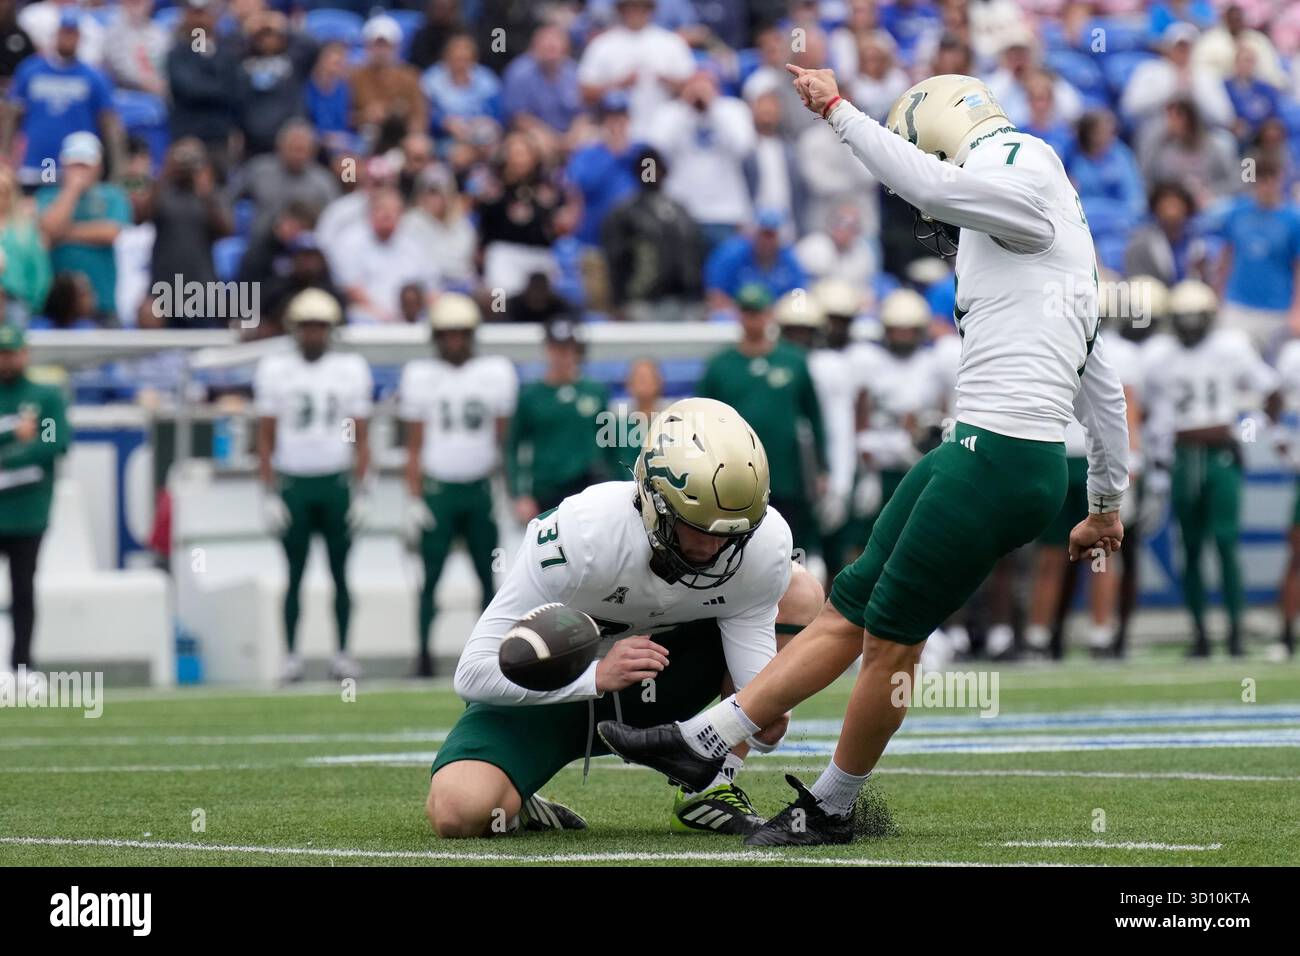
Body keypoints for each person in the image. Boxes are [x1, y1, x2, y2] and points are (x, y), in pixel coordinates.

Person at [599, 68, 1130, 846]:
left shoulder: (1017, 163)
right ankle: (701, 743)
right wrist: (1105, 503)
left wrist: (840, 113)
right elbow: (1103, 386)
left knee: (893, 642)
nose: (928, 211)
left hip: (998, 455)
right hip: (988, 454)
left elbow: (947, 193)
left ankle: (832, 807)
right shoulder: (1064, 245)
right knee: (851, 606)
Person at [427, 397, 818, 838]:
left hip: (669, 681)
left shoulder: (762, 547)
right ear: (653, 498)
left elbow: (759, 708)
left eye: (730, 534)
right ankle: (519, 792)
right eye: (695, 527)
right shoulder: (582, 537)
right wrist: (595, 675)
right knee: (458, 814)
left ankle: (709, 786)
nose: (712, 550)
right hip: (558, 691)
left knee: (800, 589)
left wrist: (766, 720)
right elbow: (474, 673)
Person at [1143, 280, 1280, 657]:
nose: (1189, 326)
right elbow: (1153, 416)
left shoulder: (1231, 347)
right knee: (1189, 547)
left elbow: (1273, 394)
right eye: (1182, 318)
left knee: (1224, 542)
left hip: (1221, 455)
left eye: (1195, 318)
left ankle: (1235, 632)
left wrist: (1245, 432)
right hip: (1183, 456)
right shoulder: (1160, 354)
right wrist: (1157, 472)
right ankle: (1200, 633)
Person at [254, 289, 374, 684]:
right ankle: (290, 654)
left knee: (342, 573)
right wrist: (268, 492)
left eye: (319, 327)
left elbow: (361, 434)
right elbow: (266, 437)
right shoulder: (275, 369)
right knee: (294, 573)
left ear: (331, 330)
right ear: (294, 329)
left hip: (335, 482)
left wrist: (362, 488)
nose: (313, 334)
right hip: (294, 484)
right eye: (307, 326)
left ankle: (342, 652)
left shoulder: (350, 369)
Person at [400, 293, 518, 678]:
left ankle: (489, 658)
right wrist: (412, 498)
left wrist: (505, 490)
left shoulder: (495, 372)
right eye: (446, 334)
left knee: (488, 579)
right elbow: (414, 445)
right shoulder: (420, 375)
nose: (454, 341)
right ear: (436, 336)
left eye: (460, 334)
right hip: (438, 492)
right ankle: (422, 655)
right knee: (429, 578)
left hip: (479, 489)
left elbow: (504, 442)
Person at [698, 283, 827, 562]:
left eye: (757, 313)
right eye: (746, 312)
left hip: (785, 472)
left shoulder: (793, 360)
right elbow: (701, 422)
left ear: (768, 315)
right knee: (737, 548)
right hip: (733, 475)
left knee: (788, 546)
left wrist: (822, 469)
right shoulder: (720, 365)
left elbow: (814, 417)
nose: (752, 320)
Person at [0, 323, 69, 689]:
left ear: (24, 354)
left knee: (24, 590)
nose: (6, 360)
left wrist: (10, 454)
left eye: (12, 352)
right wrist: (16, 437)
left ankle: (22, 665)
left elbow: (51, 441)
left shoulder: (44, 397)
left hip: (28, 509)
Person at [505, 319, 610, 521]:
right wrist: (520, 494)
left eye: (567, 349)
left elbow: (609, 444)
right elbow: (513, 446)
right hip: (546, 488)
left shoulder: (595, 391)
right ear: (548, 350)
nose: (562, 356)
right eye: (556, 348)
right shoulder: (531, 396)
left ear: (576, 351)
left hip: (587, 487)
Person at [35, 132, 131, 321]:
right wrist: (71, 190)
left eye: (85, 165)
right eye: (74, 164)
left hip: (102, 302)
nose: (79, 171)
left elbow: (110, 232)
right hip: (58, 305)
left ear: (99, 166)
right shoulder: (47, 196)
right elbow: (48, 231)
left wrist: (65, 232)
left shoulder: (113, 195)